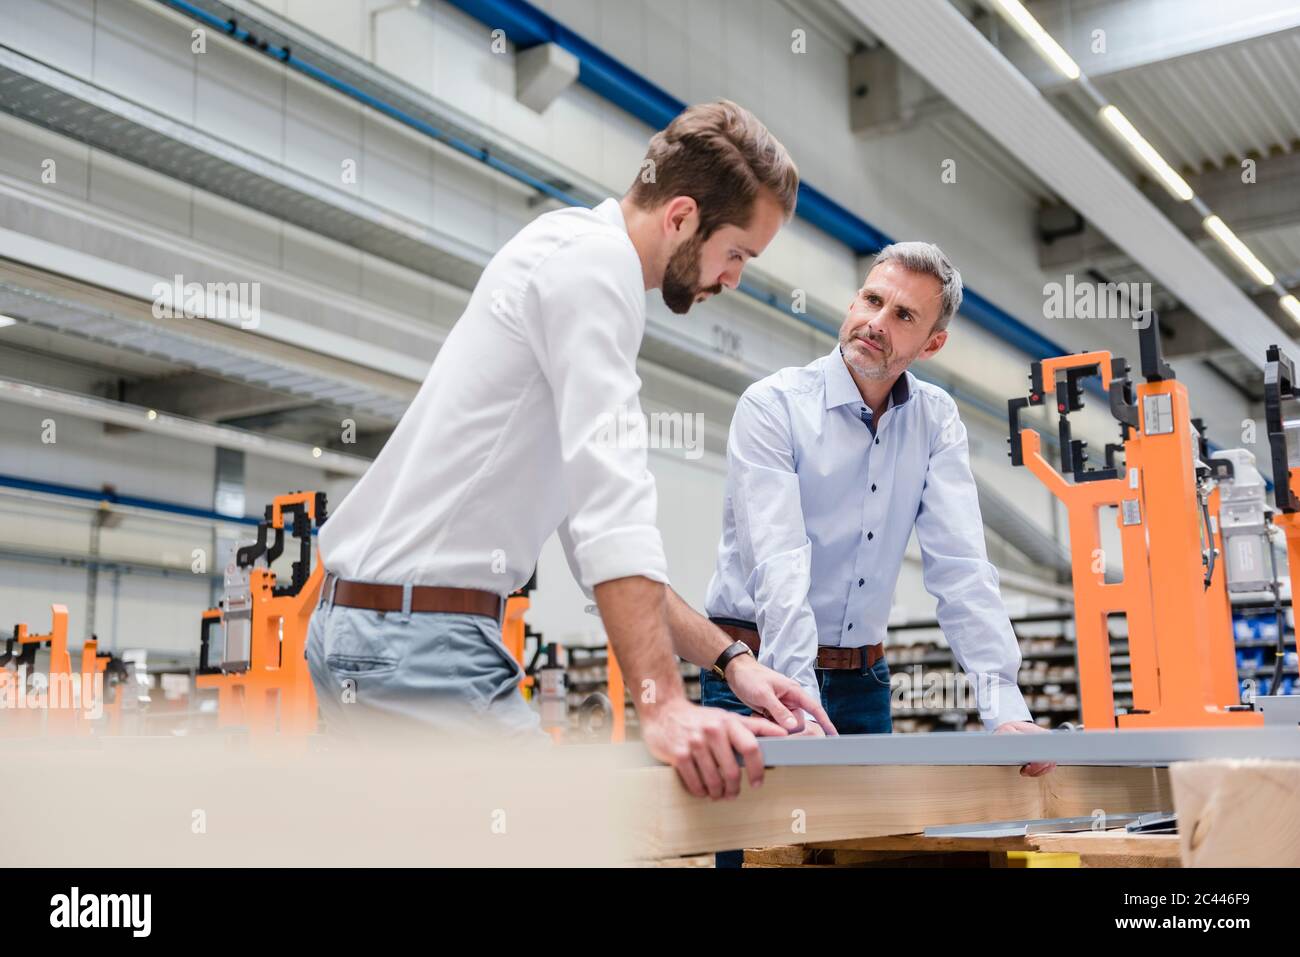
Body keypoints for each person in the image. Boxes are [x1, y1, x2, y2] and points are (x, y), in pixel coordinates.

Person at [307, 100, 836, 801]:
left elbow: (596, 554)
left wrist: (732, 659)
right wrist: (664, 704)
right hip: (417, 640)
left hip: (374, 630)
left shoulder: (570, 250)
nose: (733, 278)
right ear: (680, 217)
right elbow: (615, 505)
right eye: (736, 252)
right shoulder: (594, 270)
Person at [702, 241, 1056, 775]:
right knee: (755, 852)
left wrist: (1004, 707)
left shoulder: (935, 420)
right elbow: (778, 563)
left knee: (867, 850)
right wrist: (798, 698)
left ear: (932, 343)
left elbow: (961, 569)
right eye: (871, 300)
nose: (876, 322)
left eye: (903, 315)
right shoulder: (773, 406)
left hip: (863, 683)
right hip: (757, 673)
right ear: (852, 304)